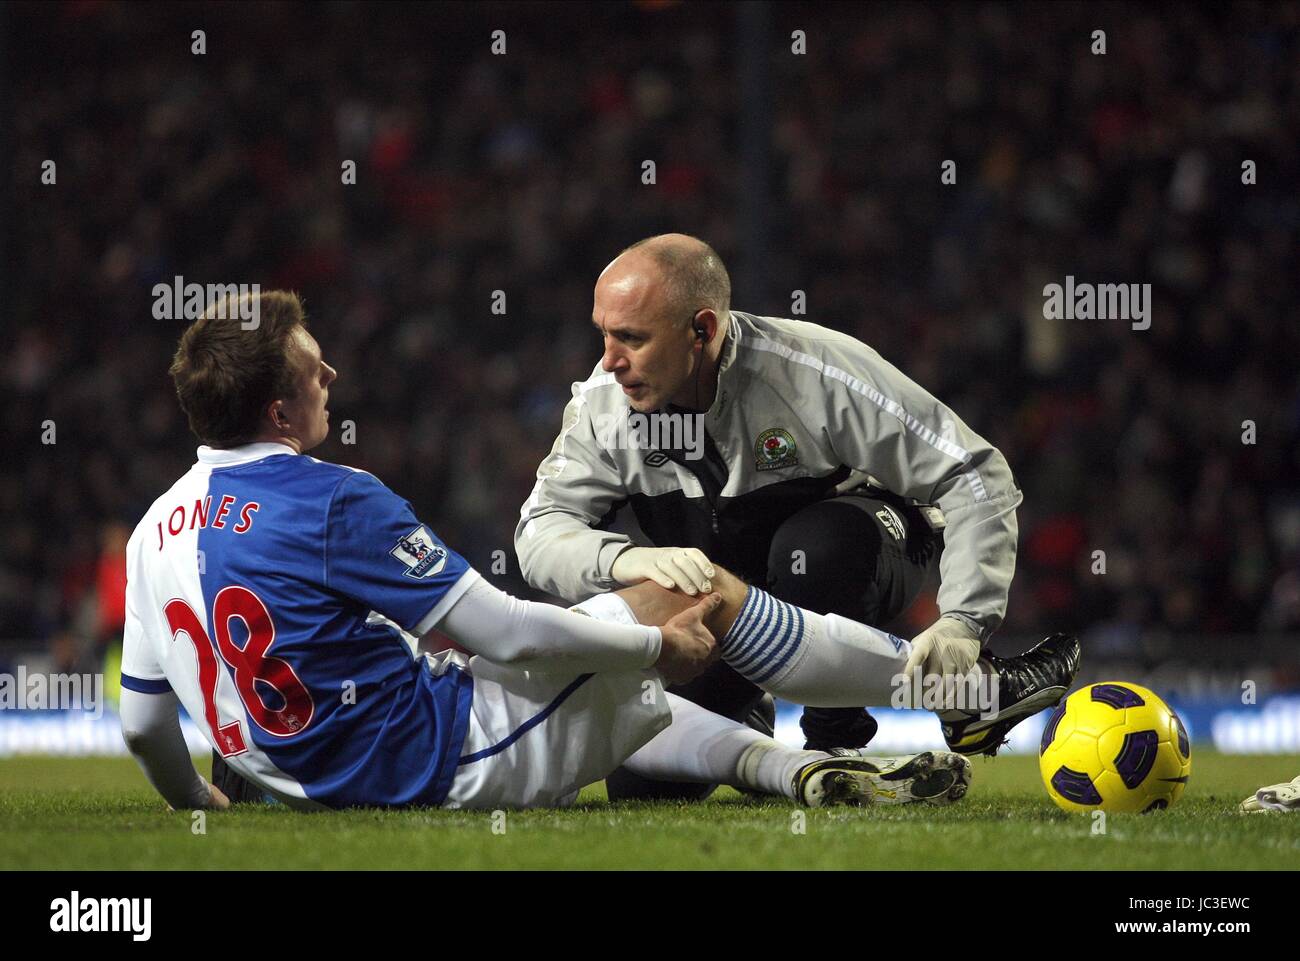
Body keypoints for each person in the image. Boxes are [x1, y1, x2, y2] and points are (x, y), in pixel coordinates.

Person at [119, 290, 973, 812]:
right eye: (312, 369)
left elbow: (144, 723)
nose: (332, 374)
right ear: (278, 411)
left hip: (309, 771)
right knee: (687, 593)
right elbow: (507, 634)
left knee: (604, 686)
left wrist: (200, 800)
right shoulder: (335, 496)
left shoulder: (151, 530)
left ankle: (800, 771)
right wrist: (654, 640)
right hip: (440, 757)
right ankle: (956, 682)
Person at [516, 234, 1043, 799]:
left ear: (703, 330)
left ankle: (841, 735)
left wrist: (963, 618)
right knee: (644, 784)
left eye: (631, 338)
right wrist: (626, 558)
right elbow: (538, 534)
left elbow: (974, 472)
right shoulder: (604, 408)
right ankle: (755, 719)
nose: (609, 361)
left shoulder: (815, 371)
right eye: (603, 333)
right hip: (738, 613)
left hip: (868, 546)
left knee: (818, 547)